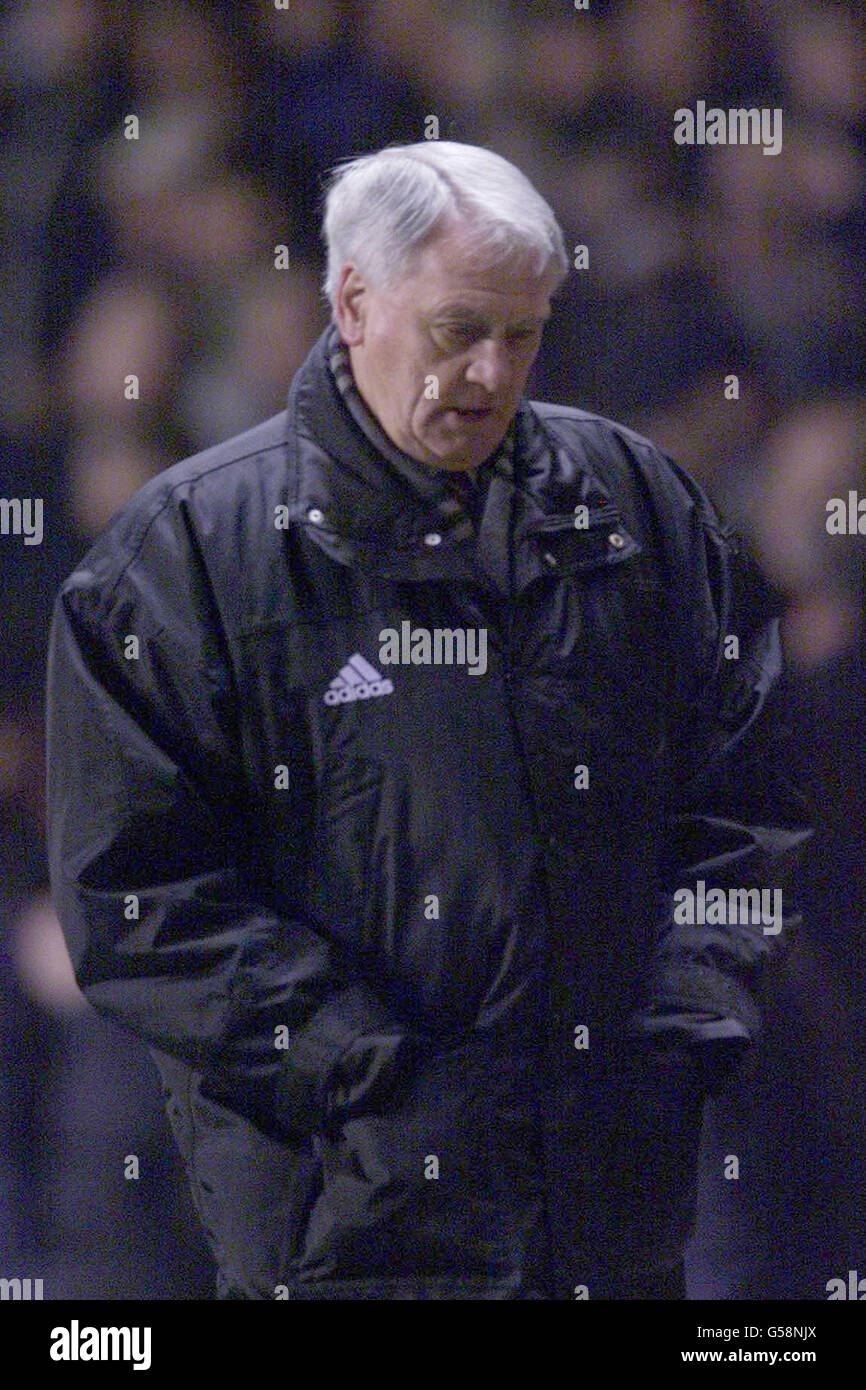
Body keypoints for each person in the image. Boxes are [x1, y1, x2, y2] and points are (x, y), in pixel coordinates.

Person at [45, 141, 813, 1300]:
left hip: (613, 1231)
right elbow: (139, 897)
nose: (492, 370)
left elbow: (745, 796)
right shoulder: (186, 560)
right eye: (459, 329)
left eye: (524, 332)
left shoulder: (640, 508)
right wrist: (377, 1080)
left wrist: (685, 1027)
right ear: (352, 302)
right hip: (348, 1239)